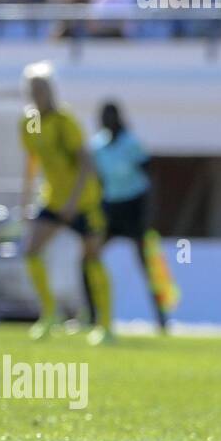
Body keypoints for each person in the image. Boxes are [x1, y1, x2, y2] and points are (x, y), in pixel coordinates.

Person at [19, 62, 115, 344]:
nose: (39, 94)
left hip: (84, 202)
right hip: (53, 199)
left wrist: (74, 200)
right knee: (31, 250)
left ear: (52, 90)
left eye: (44, 88)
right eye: (34, 89)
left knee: (92, 258)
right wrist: (27, 198)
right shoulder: (31, 123)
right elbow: (33, 158)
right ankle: (50, 314)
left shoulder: (65, 121)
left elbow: (86, 162)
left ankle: (105, 324)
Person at [91, 102, 175, 332]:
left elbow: (150, 177)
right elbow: (97, 179)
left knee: (147, 265)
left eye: (112, 116)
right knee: (89, 257)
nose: (108, 120)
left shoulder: (131, 144)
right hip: (110, 208)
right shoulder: (97, 145)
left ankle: (162, 318)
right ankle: (91, 316)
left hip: (133, 207)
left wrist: (150, 212)